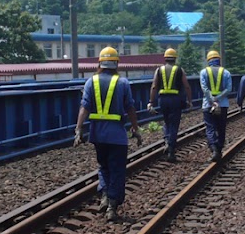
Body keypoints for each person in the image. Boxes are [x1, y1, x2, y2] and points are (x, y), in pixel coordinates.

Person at [75, 46, 142, 221]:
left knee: (103, 167)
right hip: (118, 136)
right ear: (116, 63)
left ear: (100, 63)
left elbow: (85, 107)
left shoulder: (91, 82)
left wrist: (78, 129)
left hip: (98, 135)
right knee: (117, 170)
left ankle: (105, 195)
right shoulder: (123, 82)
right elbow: (130, 108)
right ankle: (112, 205)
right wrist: (135, 128)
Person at [148, 47, 191, 162]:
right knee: (174, 124)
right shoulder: (179, 70)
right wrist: (189, 101)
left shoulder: (159, 70)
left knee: (167, 122)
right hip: (175, 100)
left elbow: (154, 86)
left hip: (163, 100)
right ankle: (171, 149)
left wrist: (151, 102)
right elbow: (186, 86)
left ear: (165, 58)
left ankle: (167, 140)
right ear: (175, 59)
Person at [199, 50, 234, 160]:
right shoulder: (226, 73)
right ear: (219, 60)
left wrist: (212, 99)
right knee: (221, 127)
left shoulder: (203, 72)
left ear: (208, 60)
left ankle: (214, 148)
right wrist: (218, 98)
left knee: (210, 127)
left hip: (207, 105)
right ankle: (219, 149)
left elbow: (204, 89)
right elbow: (229, 89)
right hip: (222, 105)